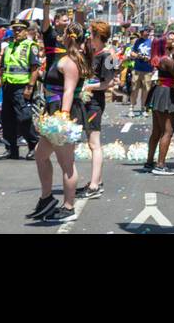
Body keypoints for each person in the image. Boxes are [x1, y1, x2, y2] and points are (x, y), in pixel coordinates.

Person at [27, 22, 88, 223]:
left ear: (68, 37)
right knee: (40, 155)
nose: (60, 36)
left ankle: (69, 206)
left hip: (61, 113)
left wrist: (63, 117)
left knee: (66, 162)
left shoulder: (70, 62)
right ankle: (46, 199)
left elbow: (69, 90)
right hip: (52, 111)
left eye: (63, 33)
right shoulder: (63, 58)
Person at [79, 20, 113, 198]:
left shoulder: (107, 57)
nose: (88, 37)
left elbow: (108, 83)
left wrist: (88, 87)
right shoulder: (93, 53)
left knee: (94, 143)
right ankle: (96, 181)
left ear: (98, 36)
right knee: (91, 143)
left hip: (95, 103)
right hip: (87, 101)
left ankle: (94, 185)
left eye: (90, 34)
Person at [0, 21, 39, 159]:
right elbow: (3, 69)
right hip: (8, 86)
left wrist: (30, 87)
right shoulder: (9, 46)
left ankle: (34, 145)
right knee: (7, 119)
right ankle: (10, 149)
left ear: (26, 31)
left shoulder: (30, 46)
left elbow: (35, 68)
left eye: (20, 30)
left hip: (22, 87)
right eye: (15, 30)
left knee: (24, 118)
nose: (16, 32)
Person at [144, 32, 174, 175]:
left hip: (158, 91)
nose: (171, 41)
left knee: (157, 131)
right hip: (166, 93)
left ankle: (149, 161)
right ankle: (160, 164)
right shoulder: (167, 60)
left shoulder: (158, 59)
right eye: (168, 40)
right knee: (168, 131)